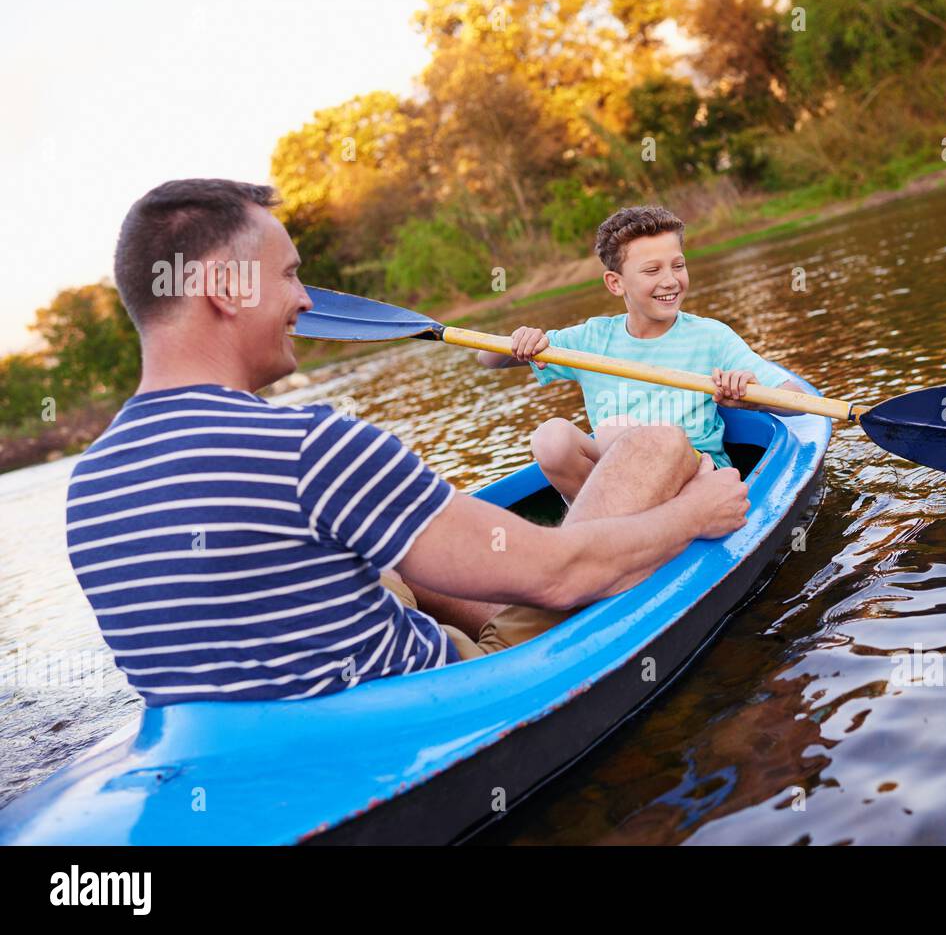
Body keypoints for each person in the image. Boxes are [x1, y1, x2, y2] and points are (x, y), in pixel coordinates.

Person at [66, 179, 748, 707]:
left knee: (389, 557)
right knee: (655, 443)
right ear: (223, 288)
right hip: (451, 694)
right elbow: (559, 575)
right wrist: (695, 513)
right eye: (289, 275)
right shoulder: (309, 448)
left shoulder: (89, 487)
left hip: (289, 722)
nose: (306, 301)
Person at [477, 204, 804, 504]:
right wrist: (519, 342)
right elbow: (487, 360)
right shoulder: (591, 339)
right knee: (552, 438)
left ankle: (620, 532)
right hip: (618, 480)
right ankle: (598, 532)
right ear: (615, 283)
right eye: (652, 271)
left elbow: (796, 399)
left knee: (615, 432)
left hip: (698, 480)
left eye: (678, 265)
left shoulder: (710, 337)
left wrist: (753, 397)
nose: (670, 280)